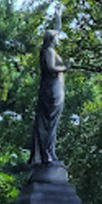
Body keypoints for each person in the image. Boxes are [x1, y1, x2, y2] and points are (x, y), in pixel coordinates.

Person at [29, 30, 69, 165]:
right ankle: (46, 154)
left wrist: (58, 16)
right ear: (52, 39)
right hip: (51, 91)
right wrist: (65, 68)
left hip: (55, 89)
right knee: (49, 123)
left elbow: (56, 30)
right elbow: (51, 68)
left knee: (52, 124)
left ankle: (50, 152)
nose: (59, 39)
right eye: (56, 38)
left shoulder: (50, 50)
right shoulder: (48, 51)